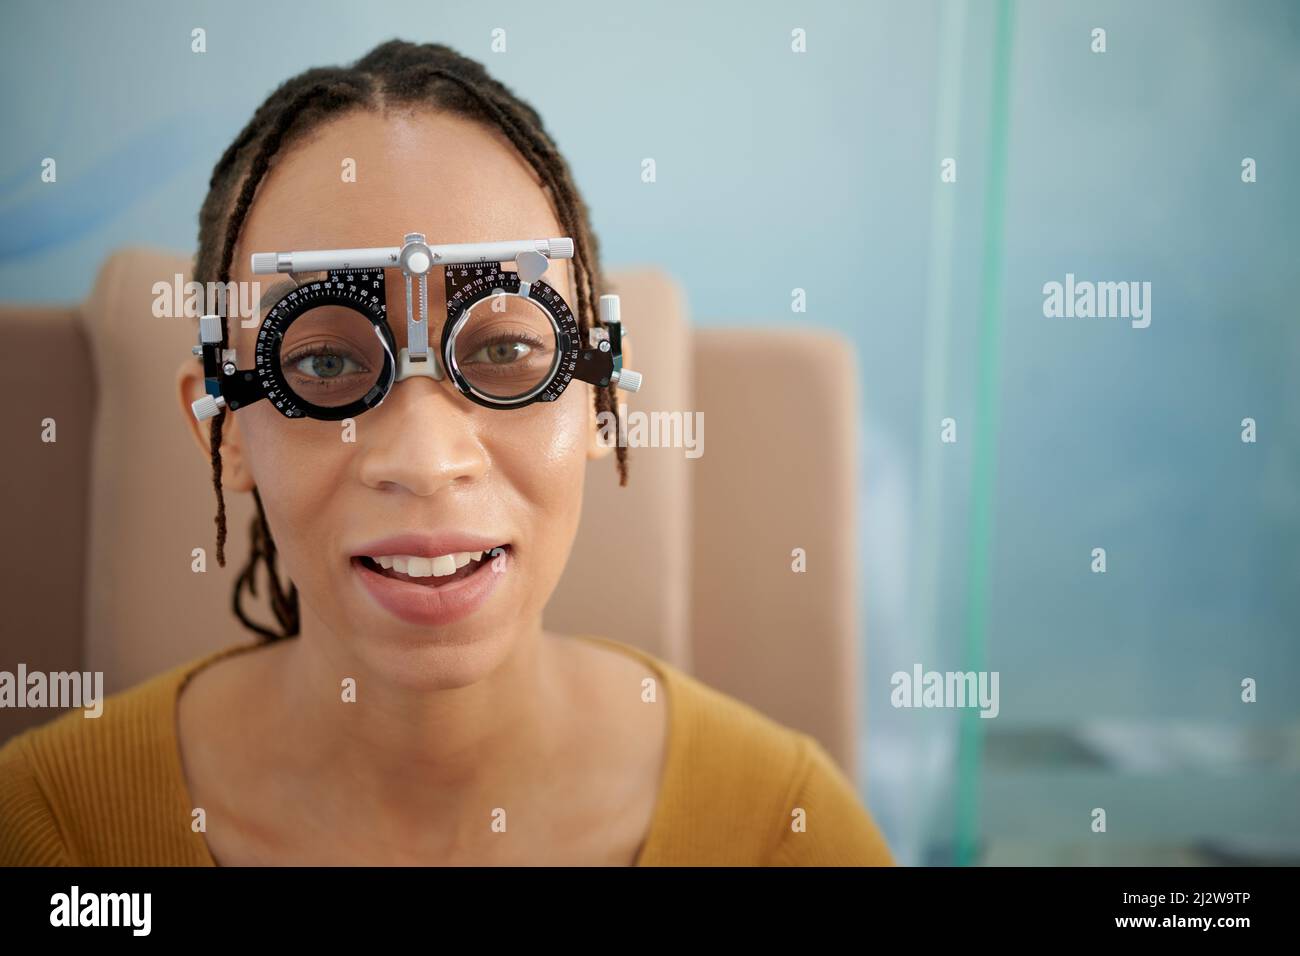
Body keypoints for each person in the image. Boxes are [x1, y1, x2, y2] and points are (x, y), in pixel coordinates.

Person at [0, 39, 893, 867]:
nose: (426, 461)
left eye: (504, 351)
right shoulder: (55, 830)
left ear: (602, 400)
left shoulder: (782, 829)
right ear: (224, 429)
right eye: (323, 362)